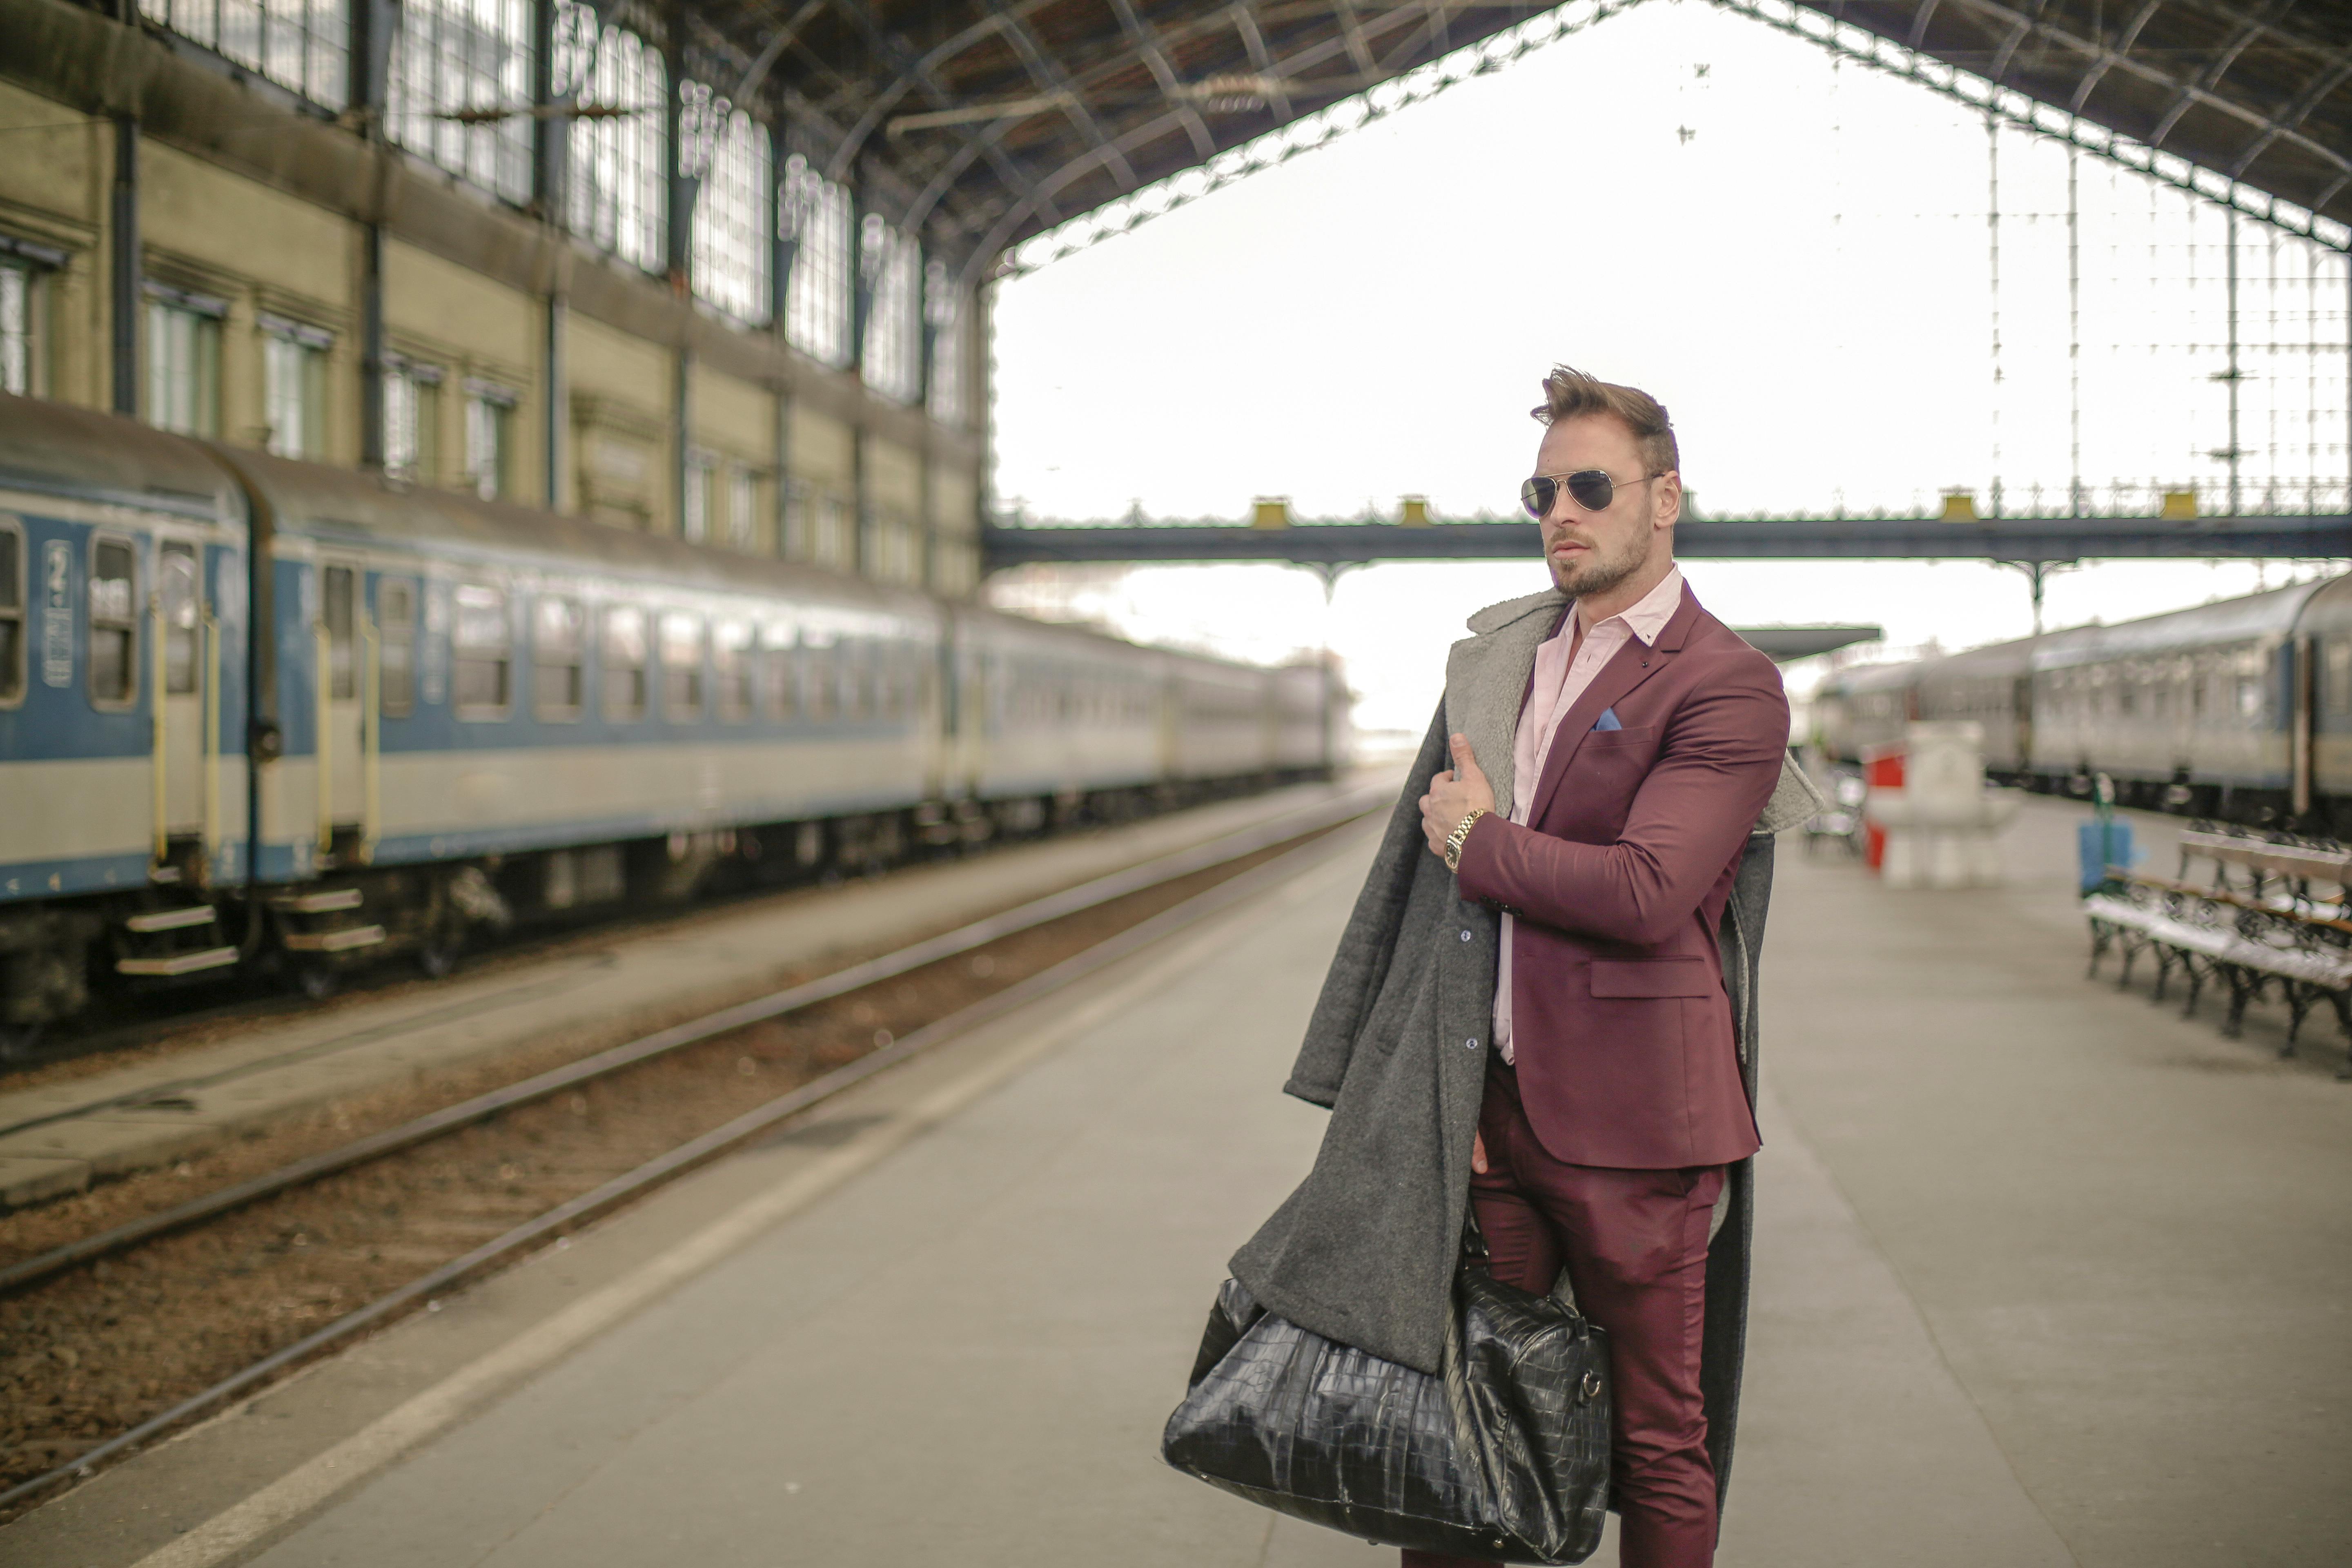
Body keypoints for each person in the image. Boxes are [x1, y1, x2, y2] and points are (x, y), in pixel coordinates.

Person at [1230, 366, 1813, 1568]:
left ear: (1665, 499)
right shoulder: (1503, 660)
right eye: (1543, 491)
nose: (1562, 512)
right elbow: (1431, 911)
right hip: (1486, 1117)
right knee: (1456, 1420)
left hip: (1641, 1130)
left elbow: (1647, 893)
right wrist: (1449, 1093)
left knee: (1657, 1439)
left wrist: (1477, 842)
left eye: (1592, 486)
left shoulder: (1726, 682)